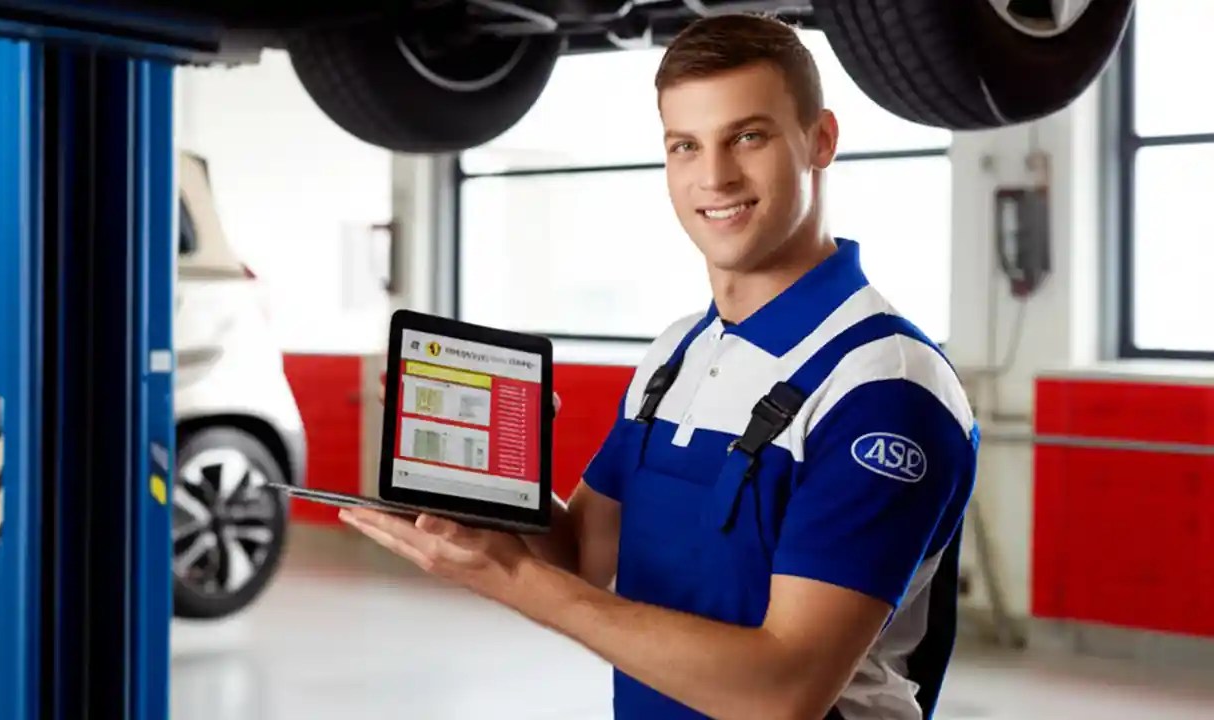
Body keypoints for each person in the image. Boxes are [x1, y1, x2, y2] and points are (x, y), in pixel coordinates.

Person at [342, 13, 978, 720]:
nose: (715, 176)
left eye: (748, 136)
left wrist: (512, 579)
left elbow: (783, 690)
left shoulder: (884, 389)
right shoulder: (677, 353)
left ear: (820, 140)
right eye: (685, 145)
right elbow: (584, 554)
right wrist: (491, 482)